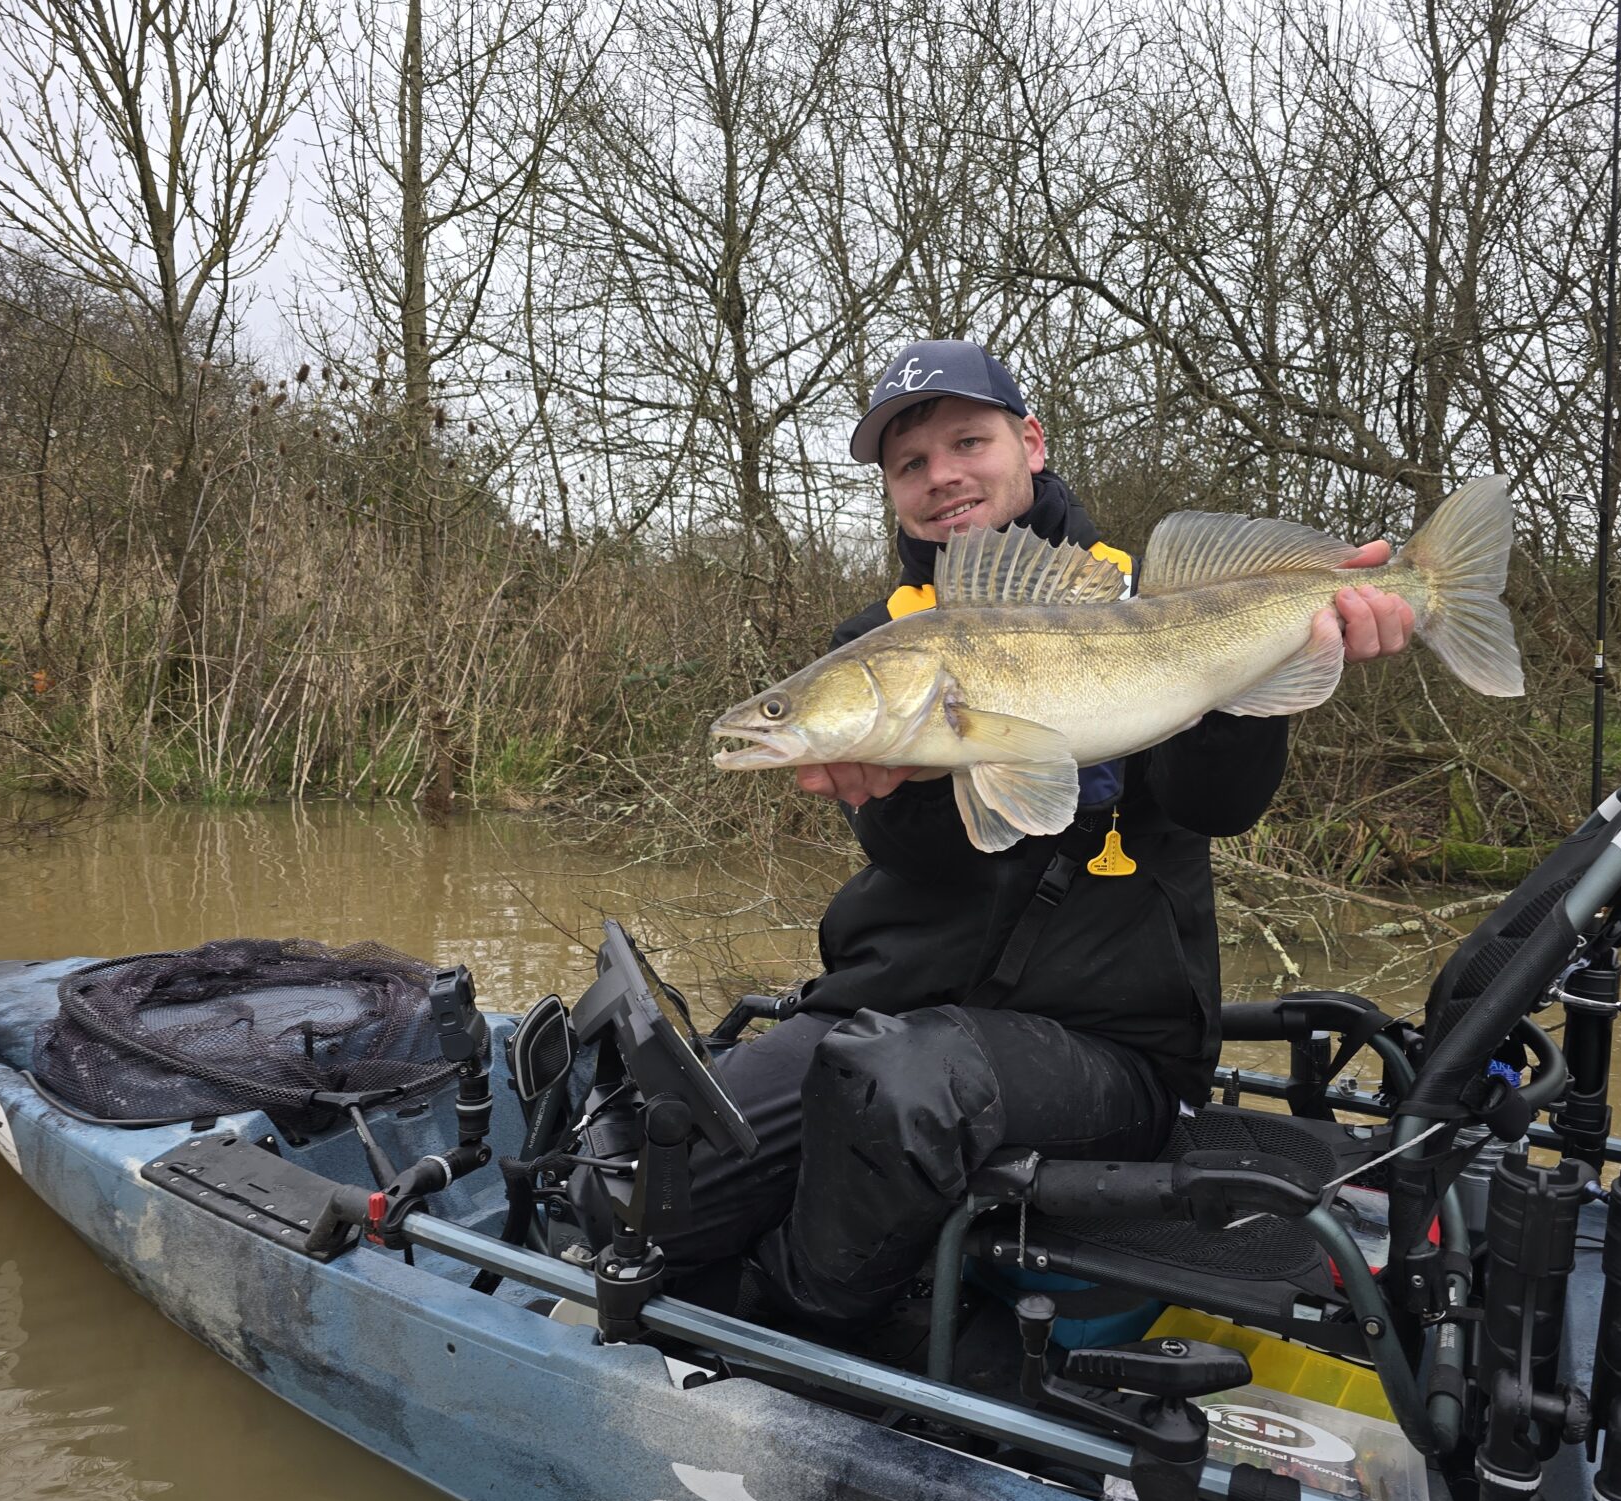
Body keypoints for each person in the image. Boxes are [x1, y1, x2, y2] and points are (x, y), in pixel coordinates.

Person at [592, 340, 1414, 1332]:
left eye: (966, 441)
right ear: (892, 492)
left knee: (905, 1089)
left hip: (1105, 1049)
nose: (940, 475)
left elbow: (1212, 808)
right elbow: (922, 865)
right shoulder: (877, 642)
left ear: (1027, 441)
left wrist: (1261, 686)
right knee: (659, 1187)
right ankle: (747, 1284)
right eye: (908, 463)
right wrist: (899, 787)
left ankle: (801, 1353)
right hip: (888, 1017)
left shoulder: (1140, 602)